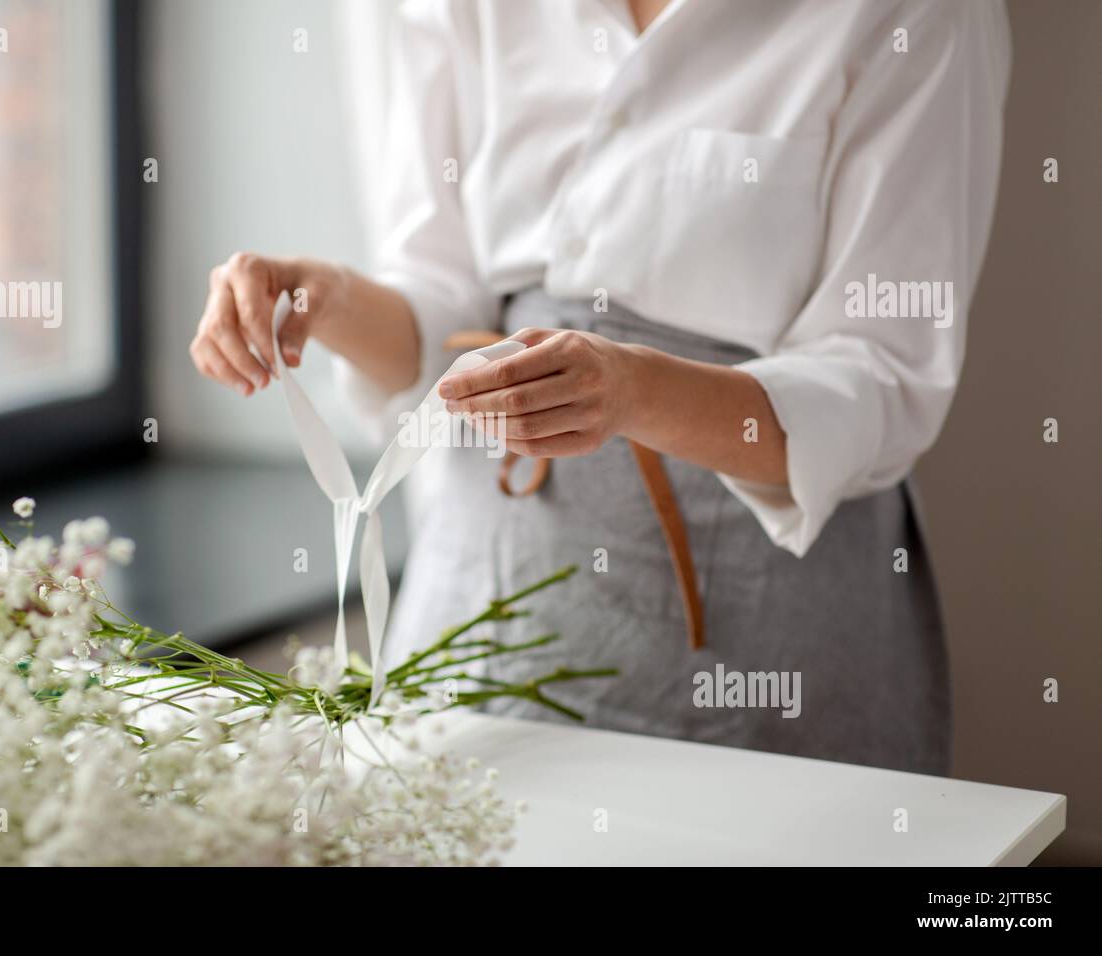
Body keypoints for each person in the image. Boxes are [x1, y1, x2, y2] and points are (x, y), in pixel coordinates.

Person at [189, 0, 1011, 774]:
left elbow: (879, 377)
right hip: (488, 576)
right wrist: (326, 297)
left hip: (764, 623)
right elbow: (441, 303)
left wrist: (636, 390)